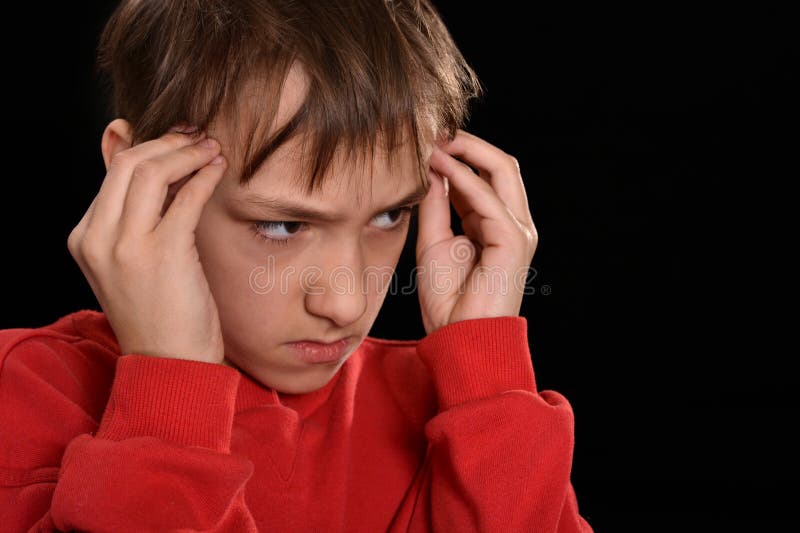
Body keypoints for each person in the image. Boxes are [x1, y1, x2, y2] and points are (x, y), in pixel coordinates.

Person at [0, 0, 593, 531]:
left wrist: (488, 375)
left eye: (390, 215)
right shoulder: (28, 393)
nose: (347, 304)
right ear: (139, 176)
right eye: (282, 225)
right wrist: (169, 392)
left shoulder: (461, 409)